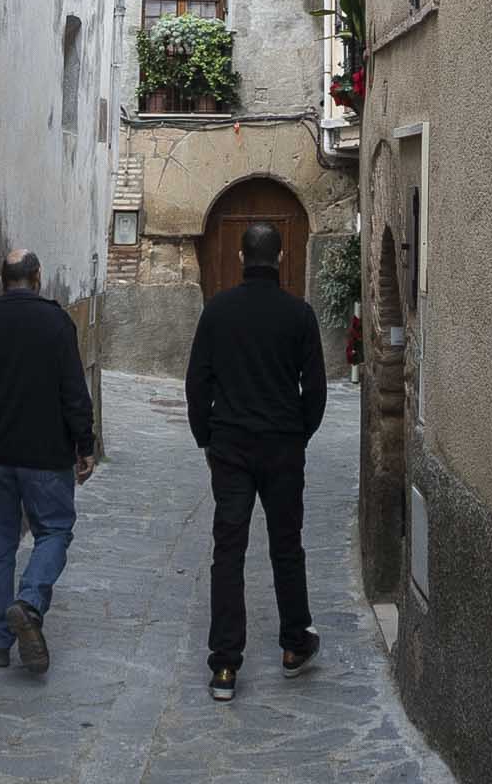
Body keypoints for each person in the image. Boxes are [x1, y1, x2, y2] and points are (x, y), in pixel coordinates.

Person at [184, 219, 327, 701]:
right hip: (283, 446)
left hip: (230, 447)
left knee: (228, 551)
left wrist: (206, 437)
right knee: (287, 545)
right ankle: (294, 644)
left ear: (243, 258)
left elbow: (197, 383)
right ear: (281, 258)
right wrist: (299, 433)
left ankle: (225, 665)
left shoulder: (217, 312)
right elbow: (316, 390)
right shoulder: (299, 315)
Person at [0, 248, 95, 673]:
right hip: (47, 456)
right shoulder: (56, 323)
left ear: (2, 279)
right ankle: (29, 602)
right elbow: (74, 392)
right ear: (38, 276)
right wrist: (84, 444)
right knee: (54, 530)